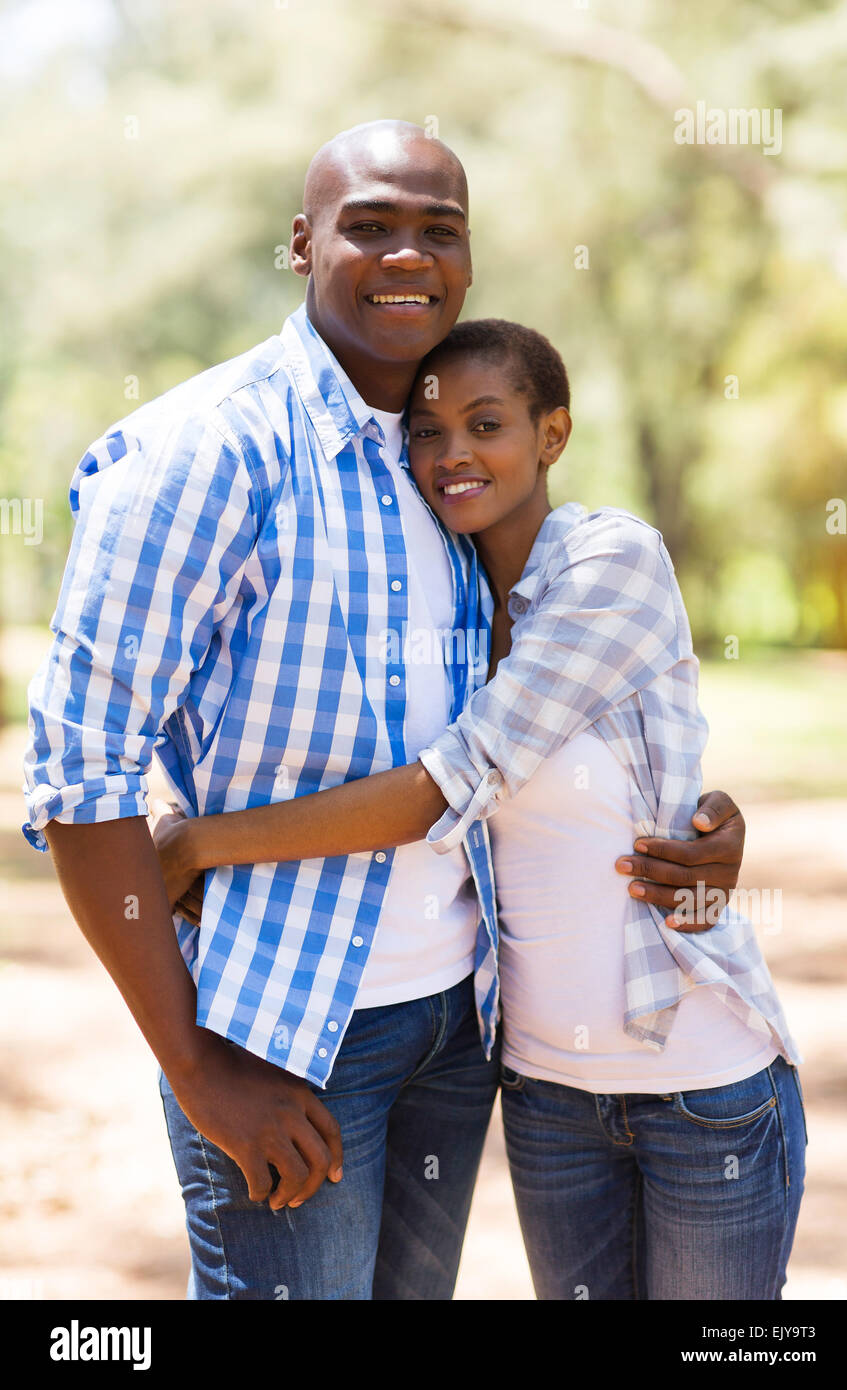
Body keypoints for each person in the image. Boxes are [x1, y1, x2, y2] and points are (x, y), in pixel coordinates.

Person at [23, 120, 747, 1301]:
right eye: (369, 225)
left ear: (467, 260)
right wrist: (199, 1068)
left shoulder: (443, 459)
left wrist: (703, 816)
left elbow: (544, 715)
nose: (406, 253)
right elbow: (78, 781)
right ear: (303, 242)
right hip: (286, 1032)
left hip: (456, 1023)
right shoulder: (203, 449)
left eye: (437, 230)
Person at [153, 318, 805, 1301]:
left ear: (551, 434)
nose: (452, 451)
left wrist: (200, 844)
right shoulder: (444, 592)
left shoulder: (607, 561)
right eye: (426, 431)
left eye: (486, 423)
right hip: (544, 1092)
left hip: (696, 1075)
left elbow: (447, 783)